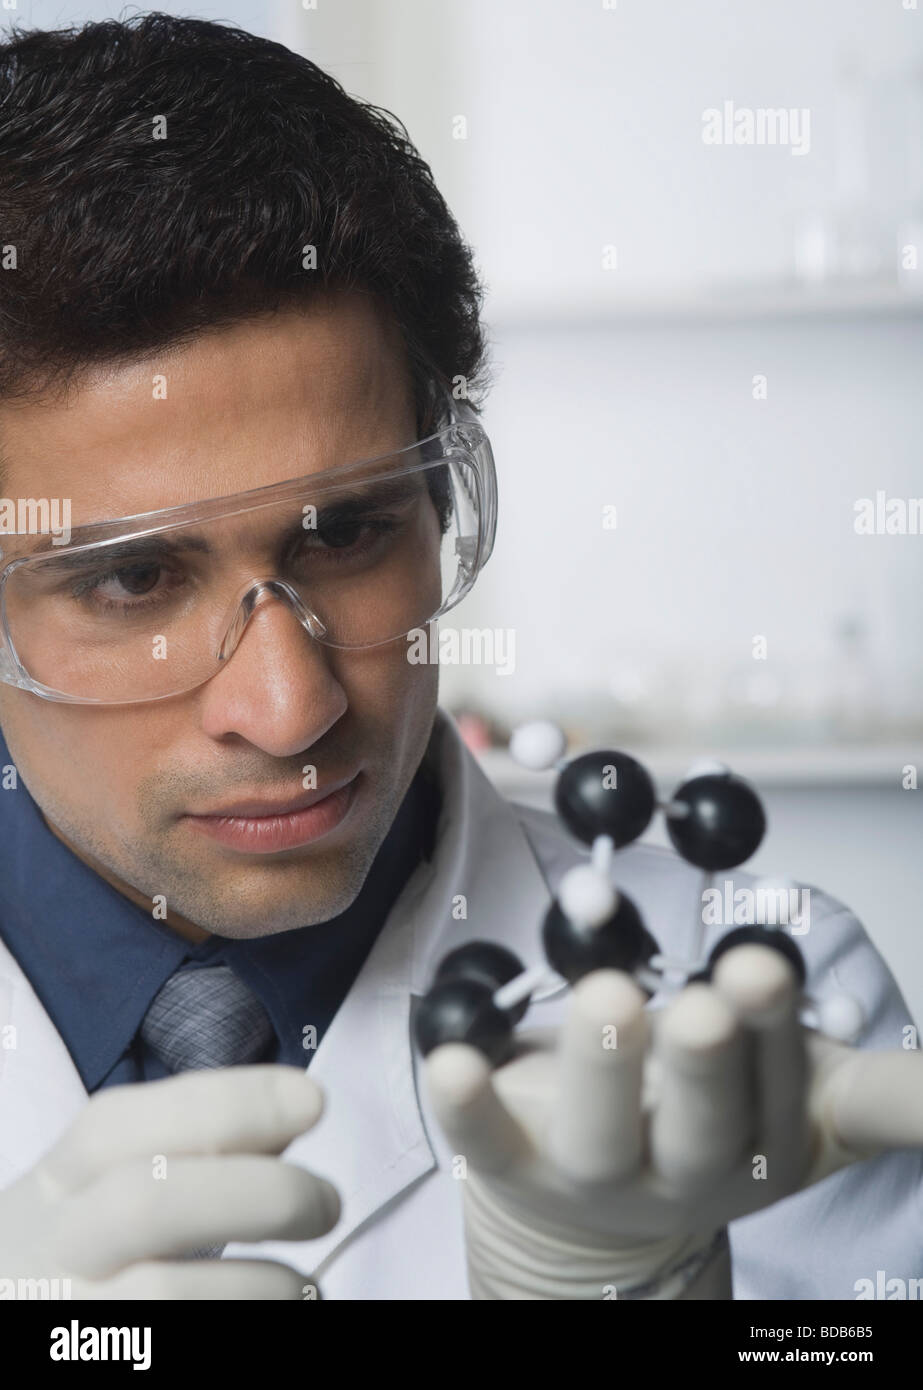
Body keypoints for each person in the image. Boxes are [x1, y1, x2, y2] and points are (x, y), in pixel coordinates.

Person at [0, 14, 920, 1303]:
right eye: (132, 579)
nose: (288, 705)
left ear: (440, 505)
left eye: (350, 533)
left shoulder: (761, 1005)